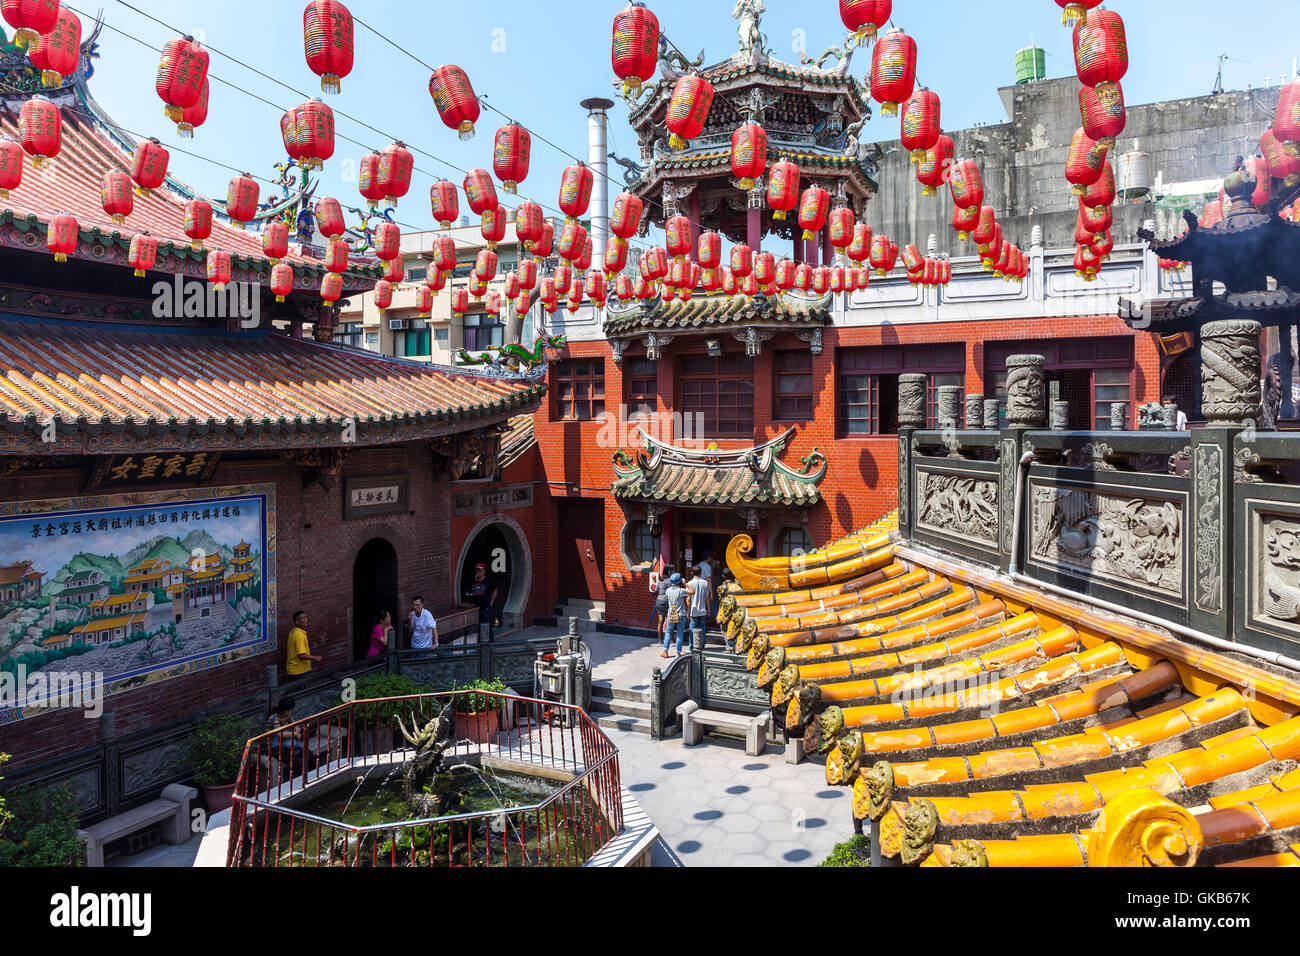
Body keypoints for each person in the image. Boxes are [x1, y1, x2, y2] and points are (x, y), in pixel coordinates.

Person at [265, 696, 312, 777]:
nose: (290, 712)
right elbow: (279, 734)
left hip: (287, 746)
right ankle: (296, 779)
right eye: (288, 710)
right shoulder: (274, 718)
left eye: (291, 709)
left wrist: (297, 730)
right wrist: (295, 734)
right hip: (277, 749)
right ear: (283, 709)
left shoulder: (287, 716)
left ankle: (303, 775)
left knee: (309, 754)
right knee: (299, 762)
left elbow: (295, 725)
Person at [464, 563, 499, 641]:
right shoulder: (471, 581)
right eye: (476, 570)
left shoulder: (488, 581)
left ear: (484, 571)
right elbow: (466, 591)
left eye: (480, 570)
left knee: (487, 625)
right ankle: (478, 642)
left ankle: (490, 642)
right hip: (475, 608)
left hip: (485, 607)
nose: (478, 572)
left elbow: (495, 590)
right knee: (476, 625)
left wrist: (491, 602)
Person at [661, 572, 690, 658]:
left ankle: (665, 651)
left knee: (668, 632)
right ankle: (678, 653)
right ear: (680, 581)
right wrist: (686, 584)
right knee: (680, 634)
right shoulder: (682, 591)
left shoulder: (668, 590)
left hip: (671, 614)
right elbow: (692, 591)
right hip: (681, 614)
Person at [285, 610, 322, 676]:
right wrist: (315, 658)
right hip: (299, 671)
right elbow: (301, 655)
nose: (306, 620)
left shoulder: (293, 632)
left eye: (306, 617)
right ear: (297, 621)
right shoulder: (299, 635)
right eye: (304, 618)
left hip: (294, 670)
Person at [648, 563, 676, 646]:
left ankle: (660, 641)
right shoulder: (670, 581)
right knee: (670, 620)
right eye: (673, 570)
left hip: (659, 601)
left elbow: (656, 591)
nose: (674, 572)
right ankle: (671, 640)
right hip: (667, 602)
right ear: (670, 571)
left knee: (660, 621)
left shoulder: (660, 580)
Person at [687, 565, 711, 652]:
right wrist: (709, 609)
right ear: (700, 573)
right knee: (703, 629)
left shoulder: (689, 583)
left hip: (693, 611)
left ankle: (692, 647)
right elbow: (707, 597)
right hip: (702, 611)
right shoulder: (705, 583)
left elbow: (688, 599)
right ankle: (702, 647)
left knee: (692, 630)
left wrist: (688, 611)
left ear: (692, 573)